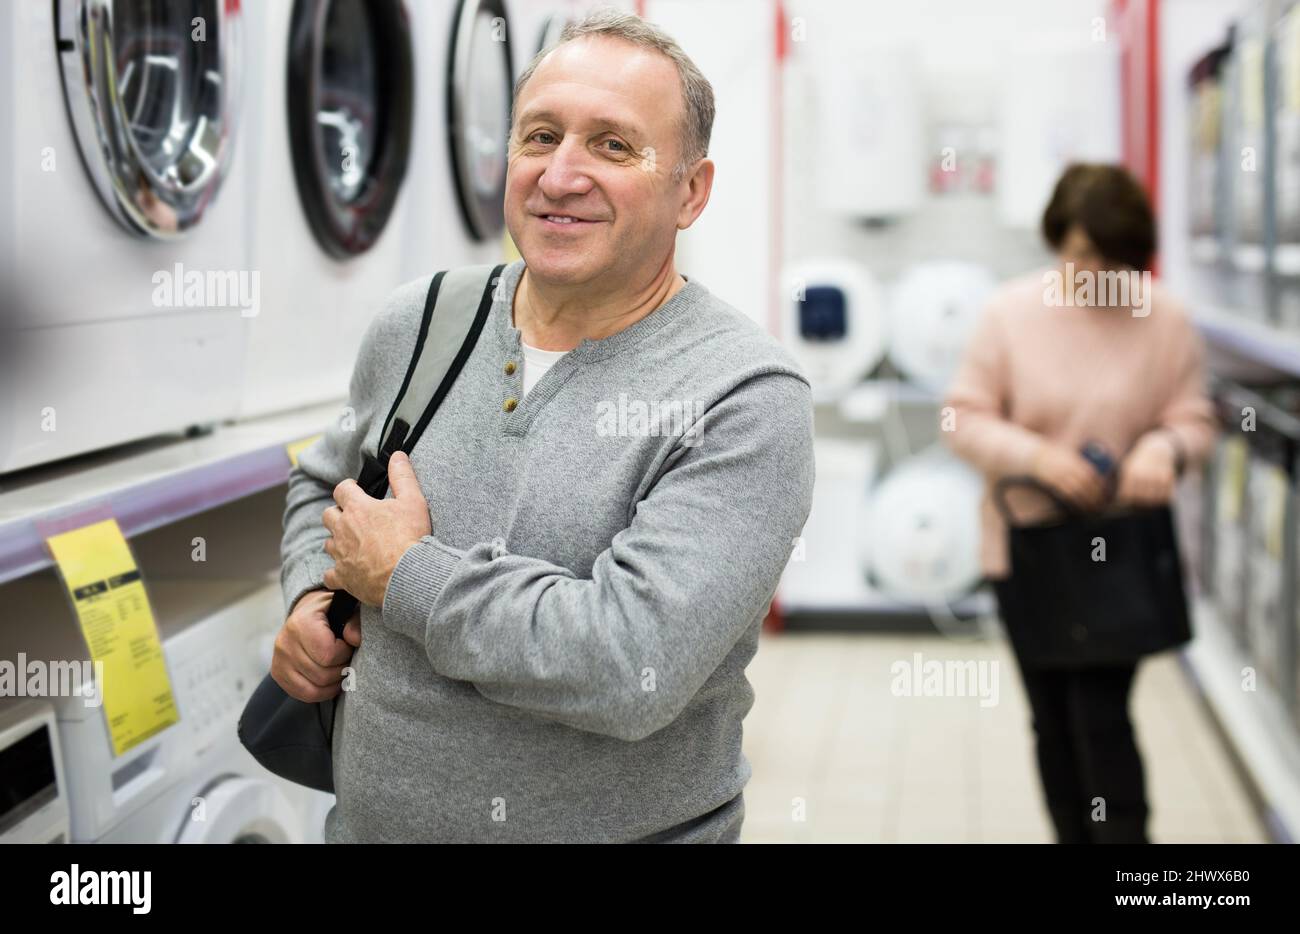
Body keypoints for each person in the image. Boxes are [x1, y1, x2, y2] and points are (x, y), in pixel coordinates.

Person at [273, 9, 815, 843]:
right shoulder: (420, 320)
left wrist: (406, 576)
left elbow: (629, 666)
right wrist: (314, 589)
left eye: (613, 145)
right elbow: (324, 480)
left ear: (690, 192)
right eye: (540, 136)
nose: (562, 175)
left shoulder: (742, 396)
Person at [943, 163, 1218, 843]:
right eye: (1078, 256)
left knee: (1101, 714)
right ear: (1056, 243)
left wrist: (1163, 449)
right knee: (1051, 717)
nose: (1091, 272)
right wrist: (1039, 458)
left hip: (1117, 554)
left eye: (1109, 260)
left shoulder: (1165, 319)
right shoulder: (1010, 314)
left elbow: (1196, 421)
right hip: (1028, 552)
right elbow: (961, 420)